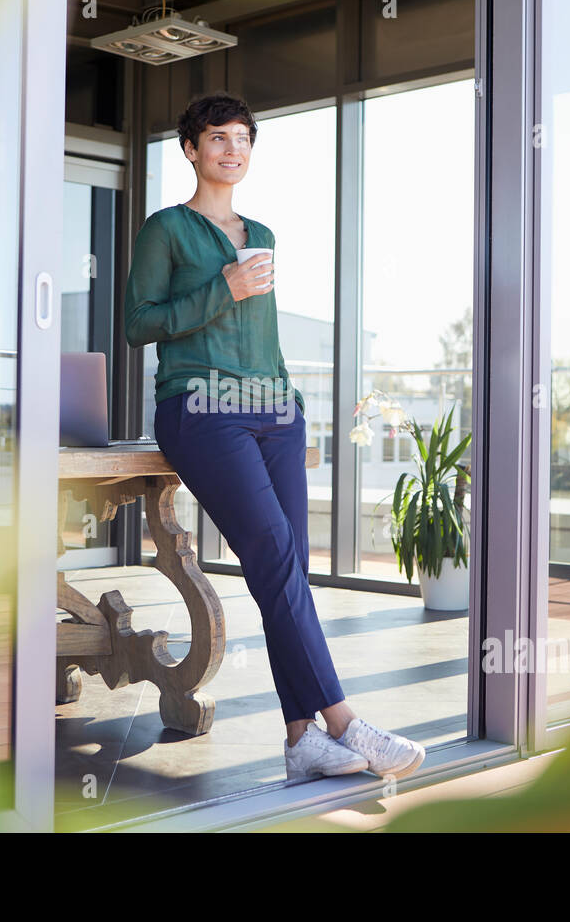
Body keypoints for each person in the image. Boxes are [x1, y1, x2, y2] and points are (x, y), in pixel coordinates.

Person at [123, 90, 425, 784]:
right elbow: (139, 323)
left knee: (286, 569)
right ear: (192, 149)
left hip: (274, 410)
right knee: (274, 551)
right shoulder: (165, 228)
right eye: (218, 139)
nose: (233, 150)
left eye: (243, 139)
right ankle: (345, 723)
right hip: (200, 407)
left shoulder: (263, 231)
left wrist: (290, 403)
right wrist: (222, 288)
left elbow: (265, 336)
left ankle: (301, 738)